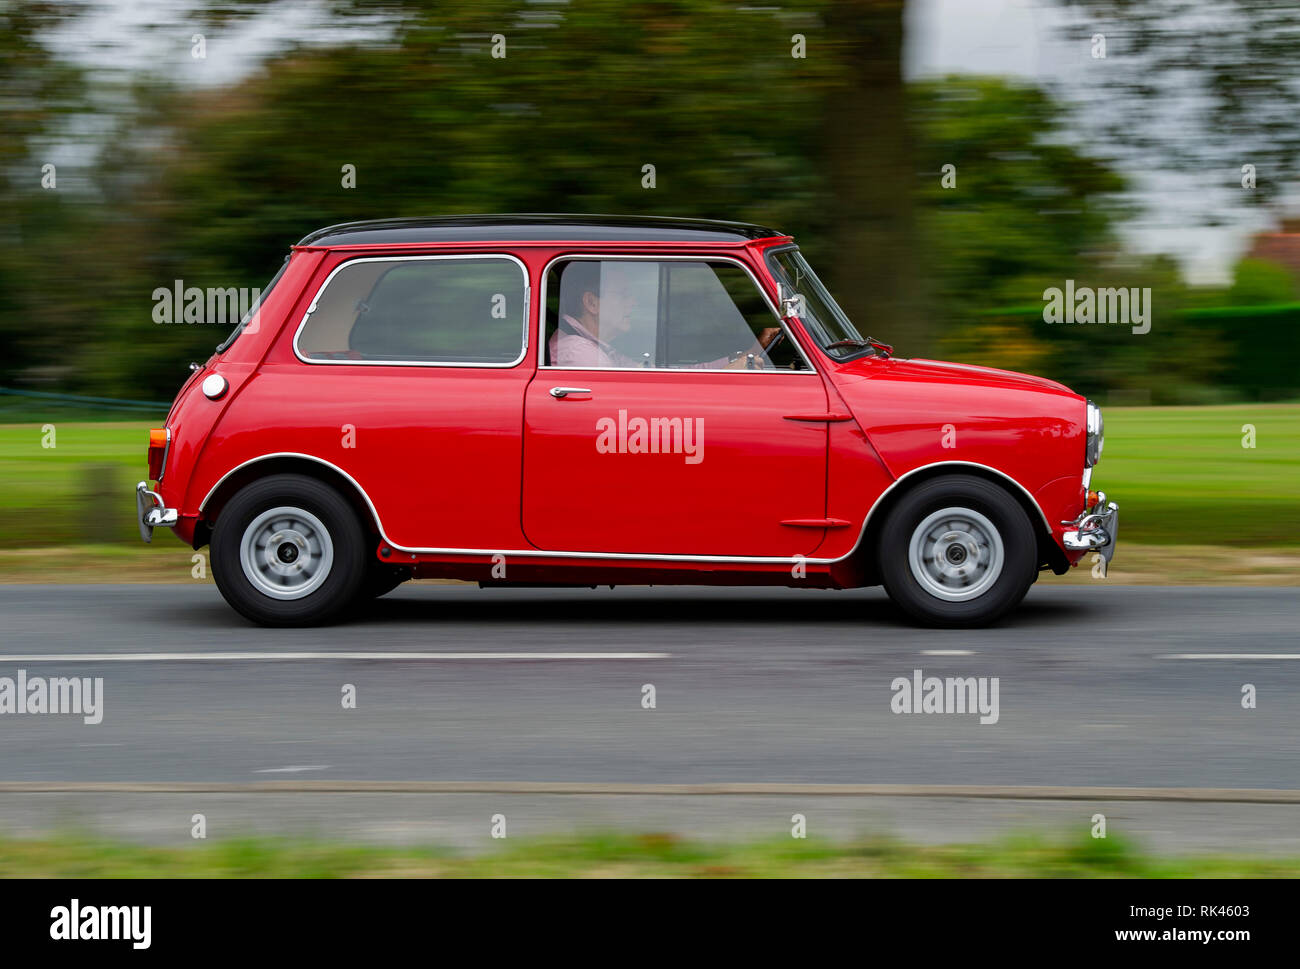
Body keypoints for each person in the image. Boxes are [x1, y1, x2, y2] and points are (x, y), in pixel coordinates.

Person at [549, 261, 782, 369]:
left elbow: (663, 378)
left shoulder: (598, 350)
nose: (632, 302)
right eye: (623, 294)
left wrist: (749, 353)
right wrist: (729, 378)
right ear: (591, 303)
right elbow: (638, 411)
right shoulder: (580, 353)